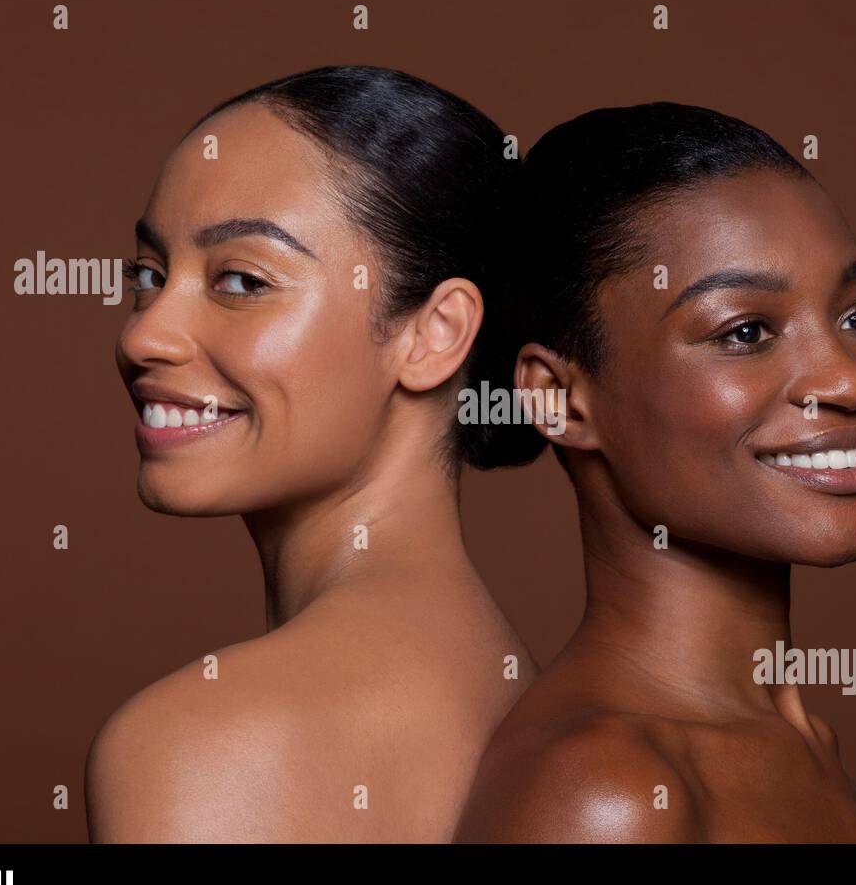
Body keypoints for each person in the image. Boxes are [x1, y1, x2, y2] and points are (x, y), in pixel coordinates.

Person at [87, 66, 536, 842]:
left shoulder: (199, 746)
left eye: (241, 279)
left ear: (433, 335)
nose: (143, 336)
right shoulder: (517, 694)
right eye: (150, 276)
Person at [455, 103, 856, 842]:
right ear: (558, 398)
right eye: (746, 332)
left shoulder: (801, 751)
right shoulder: (605, 794)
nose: (852, 382)